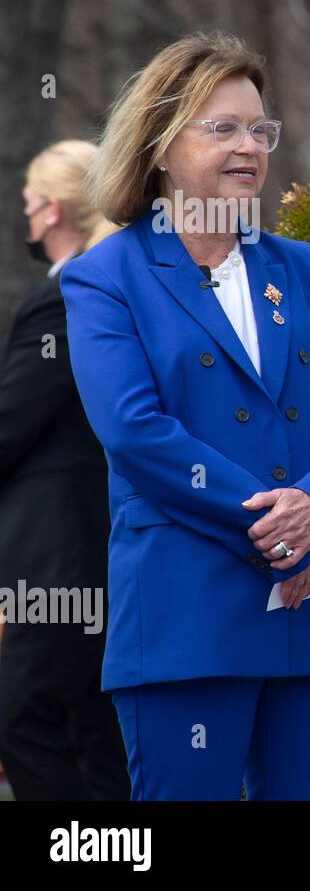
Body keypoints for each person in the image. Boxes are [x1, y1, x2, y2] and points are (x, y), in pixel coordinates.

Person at [60, 31, 310, 800]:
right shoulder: (105, 277)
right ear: (162, 145)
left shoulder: (300, 267)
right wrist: (278, 530)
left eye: (259, 129)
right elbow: (137, 433)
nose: (249, 146)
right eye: (223, 128)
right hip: (188, 623)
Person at [0, 141, 129, 800]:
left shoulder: (66, 297)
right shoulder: (109, 284)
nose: (25, 221)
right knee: (94, 728)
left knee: (27, 715)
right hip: (88, 554)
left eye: (27, 206)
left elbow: (12, 418)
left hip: (60, 557)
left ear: (50, 212)